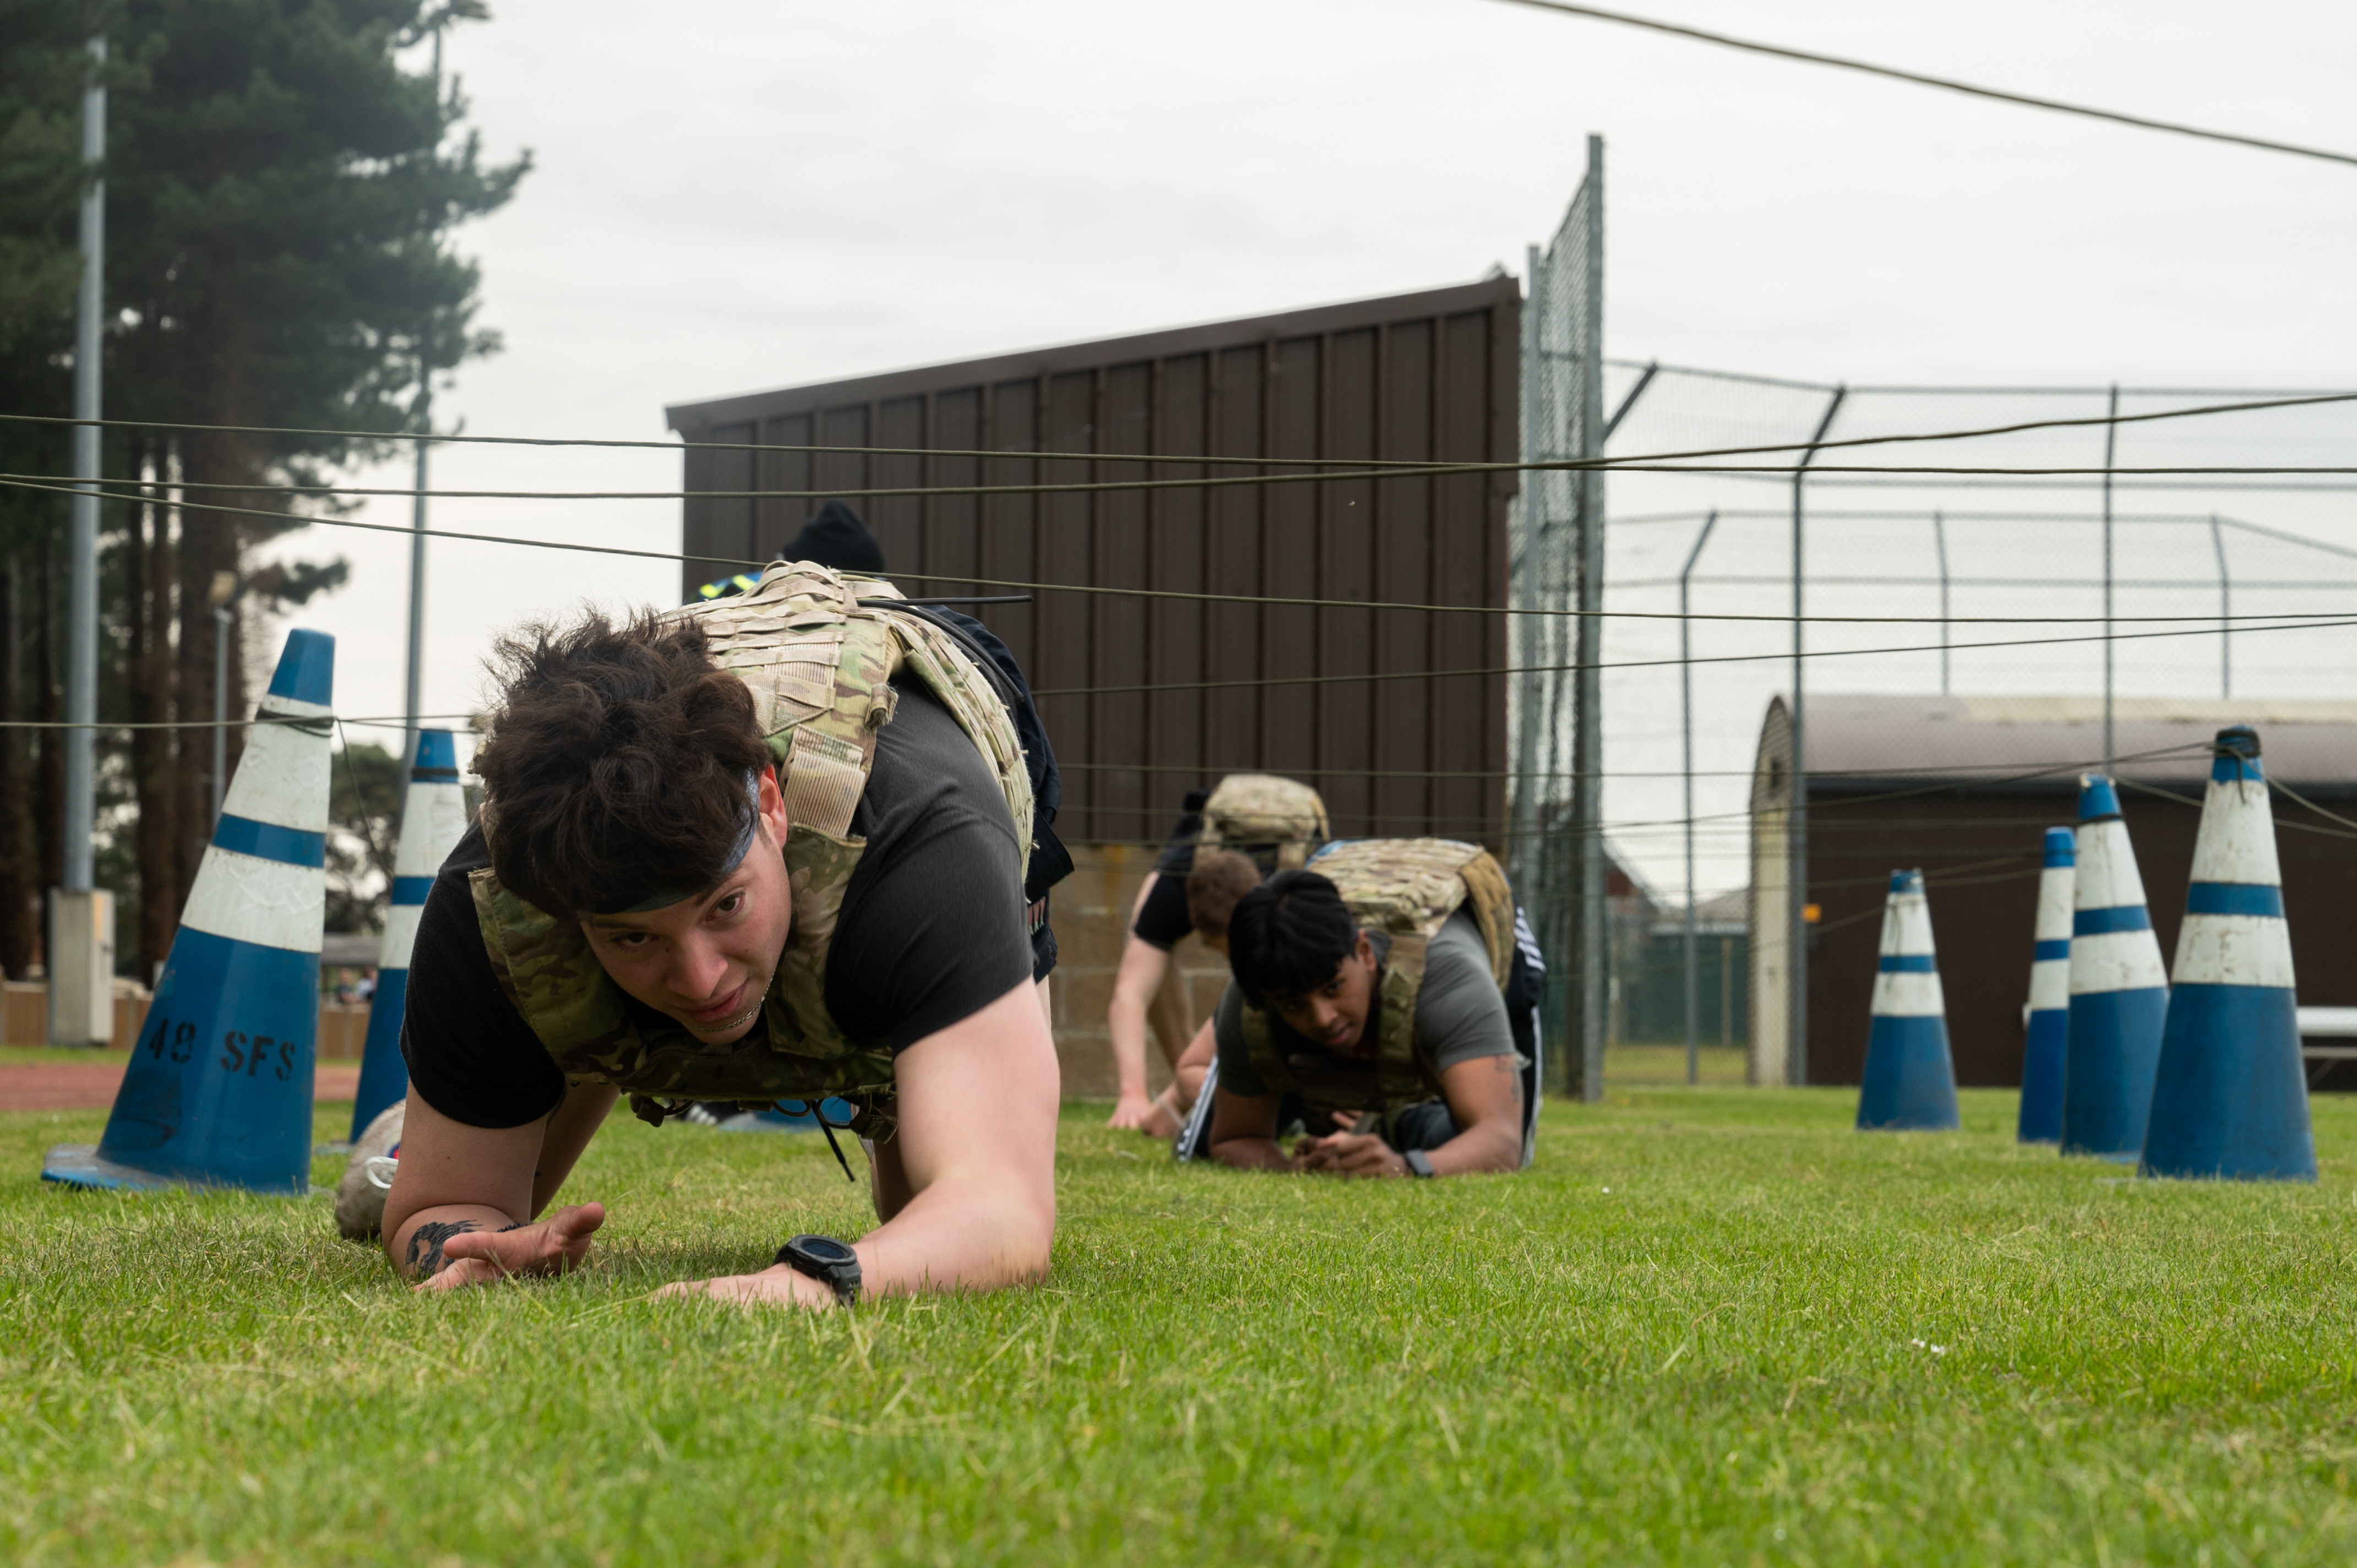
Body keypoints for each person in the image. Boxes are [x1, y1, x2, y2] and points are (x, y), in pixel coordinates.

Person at [378, 561, 1064, 1308]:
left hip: (957, 714)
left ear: (770, 806)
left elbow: (1002, 1216)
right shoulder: (500, 898)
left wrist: (805, 1285)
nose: (702, 980)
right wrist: (472, 1240)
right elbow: (438, 1206)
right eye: (634, 938)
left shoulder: (929, 851)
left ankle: (902, 1058)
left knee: (918, 1210)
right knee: (558, 1029)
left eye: (725, 907)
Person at [1197, 839, 1542, 1178]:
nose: (1323, 1018)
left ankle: (1403, 1122)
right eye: (1293, 1004)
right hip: (1350, 879)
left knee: (1498, 1148)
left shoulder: (1451, 981)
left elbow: (1501, 1143)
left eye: (1334, 988)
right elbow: (1234, 1138)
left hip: (1485, 921)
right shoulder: (1254, 993)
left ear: (1364, 952)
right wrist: (1294, 1170)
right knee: (1196, 1146)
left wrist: (1404, 1167)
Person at [1106, 775, 1327, 1134]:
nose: (1229, 961)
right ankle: (1191, 1079)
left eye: (1235, 950)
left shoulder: (1299, 889)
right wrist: (1132, 1095)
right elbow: (1129, 993)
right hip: (1200, 838)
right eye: (1219, 950)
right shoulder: (1174, 886)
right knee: (1143, 952)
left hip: (1295, 842)